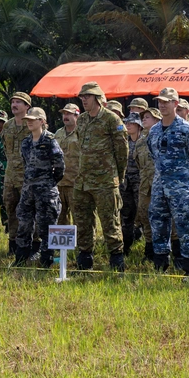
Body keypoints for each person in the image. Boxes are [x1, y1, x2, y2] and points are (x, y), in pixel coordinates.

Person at [147, 88, 189, 280]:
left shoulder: (187, 129)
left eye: (167, 101)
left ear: (175, 104)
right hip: (159, 187)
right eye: (160, 101)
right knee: (158, 225)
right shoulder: (154, 130)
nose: (162, 105)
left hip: (181, 186)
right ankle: (161, 266)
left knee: (184, 227)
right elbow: (153, 154)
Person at [73, 82, 129, 271]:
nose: (83, 100)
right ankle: (85, 256)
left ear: (97, 98)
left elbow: (122, 151)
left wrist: (118, 176)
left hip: (105, 181)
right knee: (82, 220)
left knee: (110, 221)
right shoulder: (81, 120)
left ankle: (116, 258)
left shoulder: (111, 119)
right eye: (81, 97)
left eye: (87, 96)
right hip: (83, 181)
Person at [13, 107, 64, 268]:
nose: (29, 122)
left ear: (41, 121)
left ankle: (46, 259)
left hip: (45, 191)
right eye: (27, 120)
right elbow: (25, 164)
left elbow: (60, 165)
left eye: (32, 119)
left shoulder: (50, 140)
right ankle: (21, 257)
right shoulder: (26, 142)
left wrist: (49, 182)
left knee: (46, 225)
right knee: (24, 224)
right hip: (28, 191)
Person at [1, 93, 32, 257]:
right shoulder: (7, 126)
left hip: (27, 177)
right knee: (11, 209)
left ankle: (31, 245)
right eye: (13, 102)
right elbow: (5, 148)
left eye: (18, 102)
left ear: (27, 106)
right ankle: (13, 243)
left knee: (28, 211)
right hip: (10, 177)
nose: (14, 105)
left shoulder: (32, 125)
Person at [136, 107, 160, 260]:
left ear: (157, 120)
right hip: (145, 185)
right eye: (143, 117)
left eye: (148, 117)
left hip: (161, 185)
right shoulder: (140, 141)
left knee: (163, 218)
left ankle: (166, 251)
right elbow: (139, 164)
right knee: (145, 216)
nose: (144, 119)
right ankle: (149, 249)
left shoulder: (163, 136)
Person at [121, 113, 144, 256]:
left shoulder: (144, 141)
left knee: (143, 215)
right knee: (126, 215)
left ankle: (150, 249)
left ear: (138, 125)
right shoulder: (125, 141)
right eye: (127, 123)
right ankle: (126, 247)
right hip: (127, 184)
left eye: (132, 123)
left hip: (141, 183)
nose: (128, 125)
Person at [54, 103, 80, 225]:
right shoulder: (58, 134)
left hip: (77, 183)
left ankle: (83, 243)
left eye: (69, 113)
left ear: (77, 116)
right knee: (59, 216)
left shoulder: (82, 132)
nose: (65, 116)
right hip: (60, 182)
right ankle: (63, 244)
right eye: (64, 113)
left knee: (80, 217)